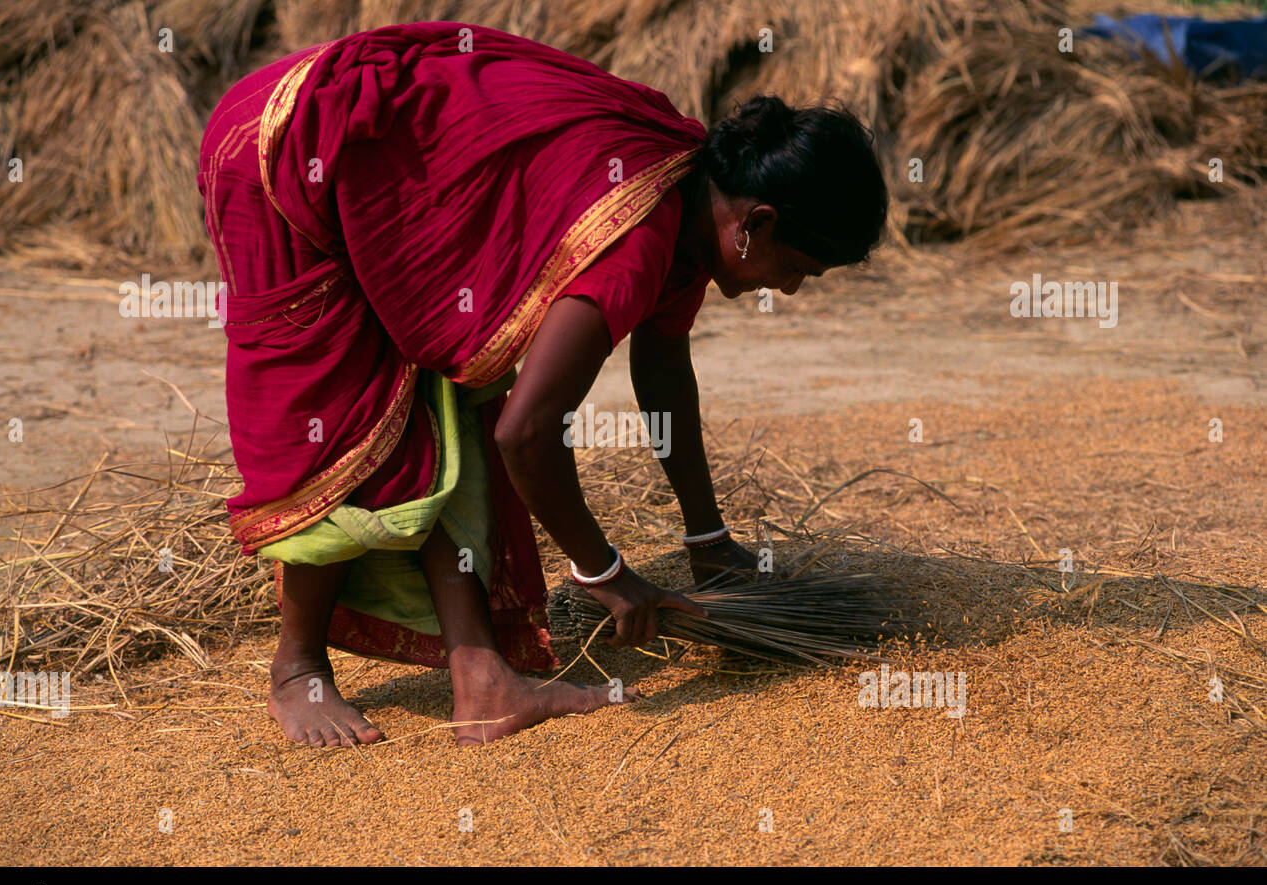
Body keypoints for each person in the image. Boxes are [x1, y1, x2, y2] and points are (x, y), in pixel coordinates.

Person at [198, 21, 887, 747]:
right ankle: (296, 668)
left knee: (445, 406)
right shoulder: (636, 236)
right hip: (284, 148)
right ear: (757, 224)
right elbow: (527, 435)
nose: (794, 289)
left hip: (362, 162)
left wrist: (707, 536)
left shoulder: (685, 194)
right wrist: (603, 569)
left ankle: (482, 680)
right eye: (801, 269)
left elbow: (663, 373)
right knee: (347, 422)